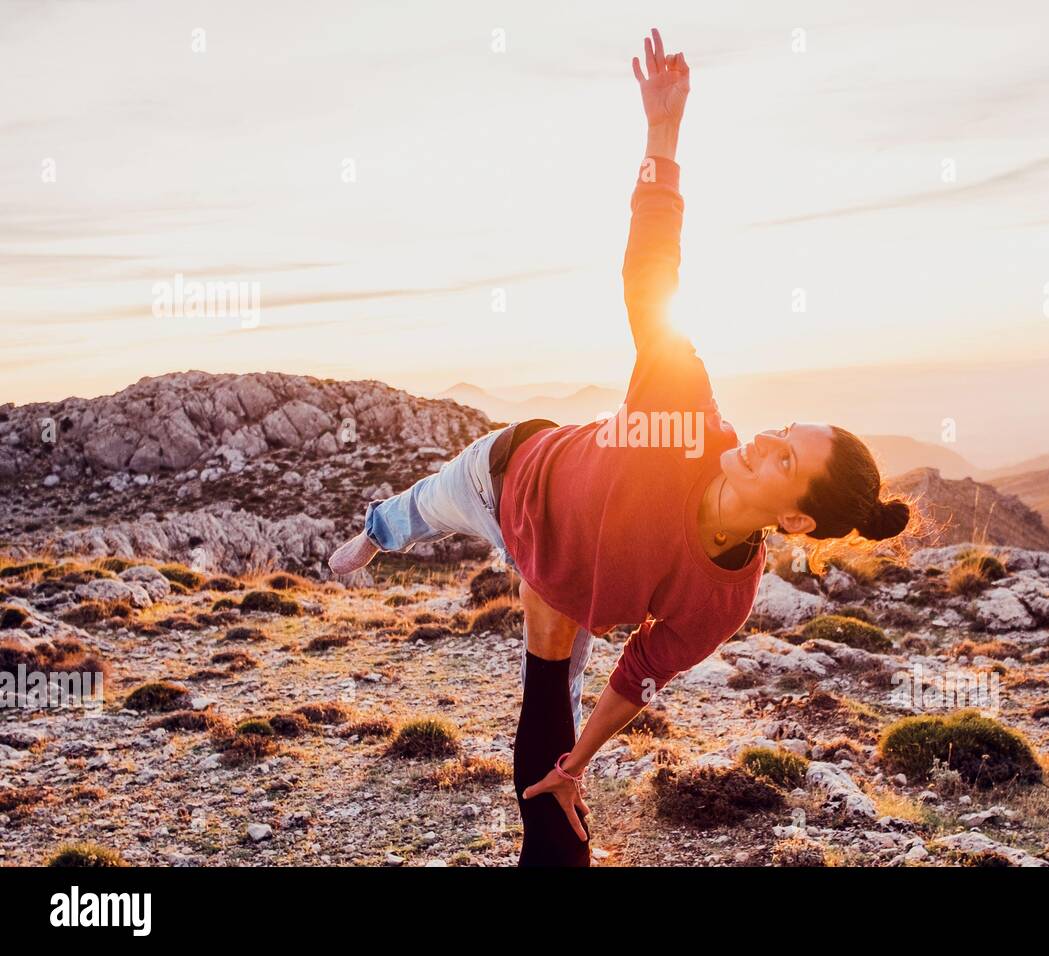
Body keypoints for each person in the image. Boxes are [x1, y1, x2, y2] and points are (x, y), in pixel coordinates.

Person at [328, 27, 911, 866]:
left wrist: (581, 764)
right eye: (782, 430)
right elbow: (649, 279)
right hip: (509, 478)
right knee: (420, 510)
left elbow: (638, 676)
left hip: (564, 582)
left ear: (797, 519)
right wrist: (663, 138)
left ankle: (555, 837)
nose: (764, 442)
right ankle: (378, 529)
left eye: (786, 458)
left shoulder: (725, 599)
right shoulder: (686, 414)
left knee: (553, 719)